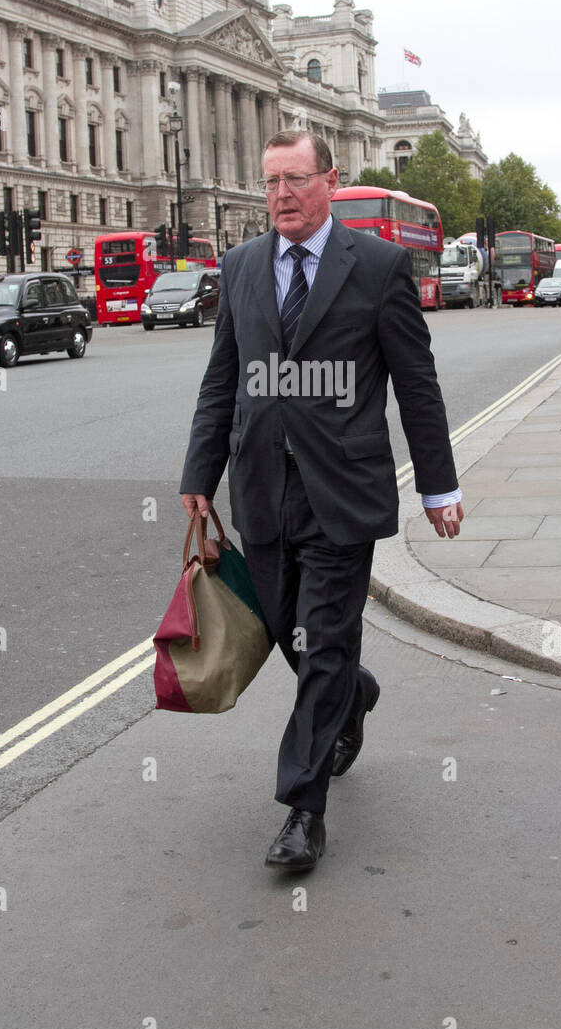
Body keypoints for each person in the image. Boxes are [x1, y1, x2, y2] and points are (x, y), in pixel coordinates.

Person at [180, 131, 463, 871]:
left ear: (330, 183)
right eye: (271, 181)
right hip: (262, 491)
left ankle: (303, 809)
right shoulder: (241, 267)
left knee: (326, 636)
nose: (280, 194)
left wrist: (438, 485)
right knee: (286, 631)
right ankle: (354, 694)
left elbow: (415, 384)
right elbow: (223, 381)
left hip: (343, 492)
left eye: (295, 179)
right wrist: (198, 478)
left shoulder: (378, 266)